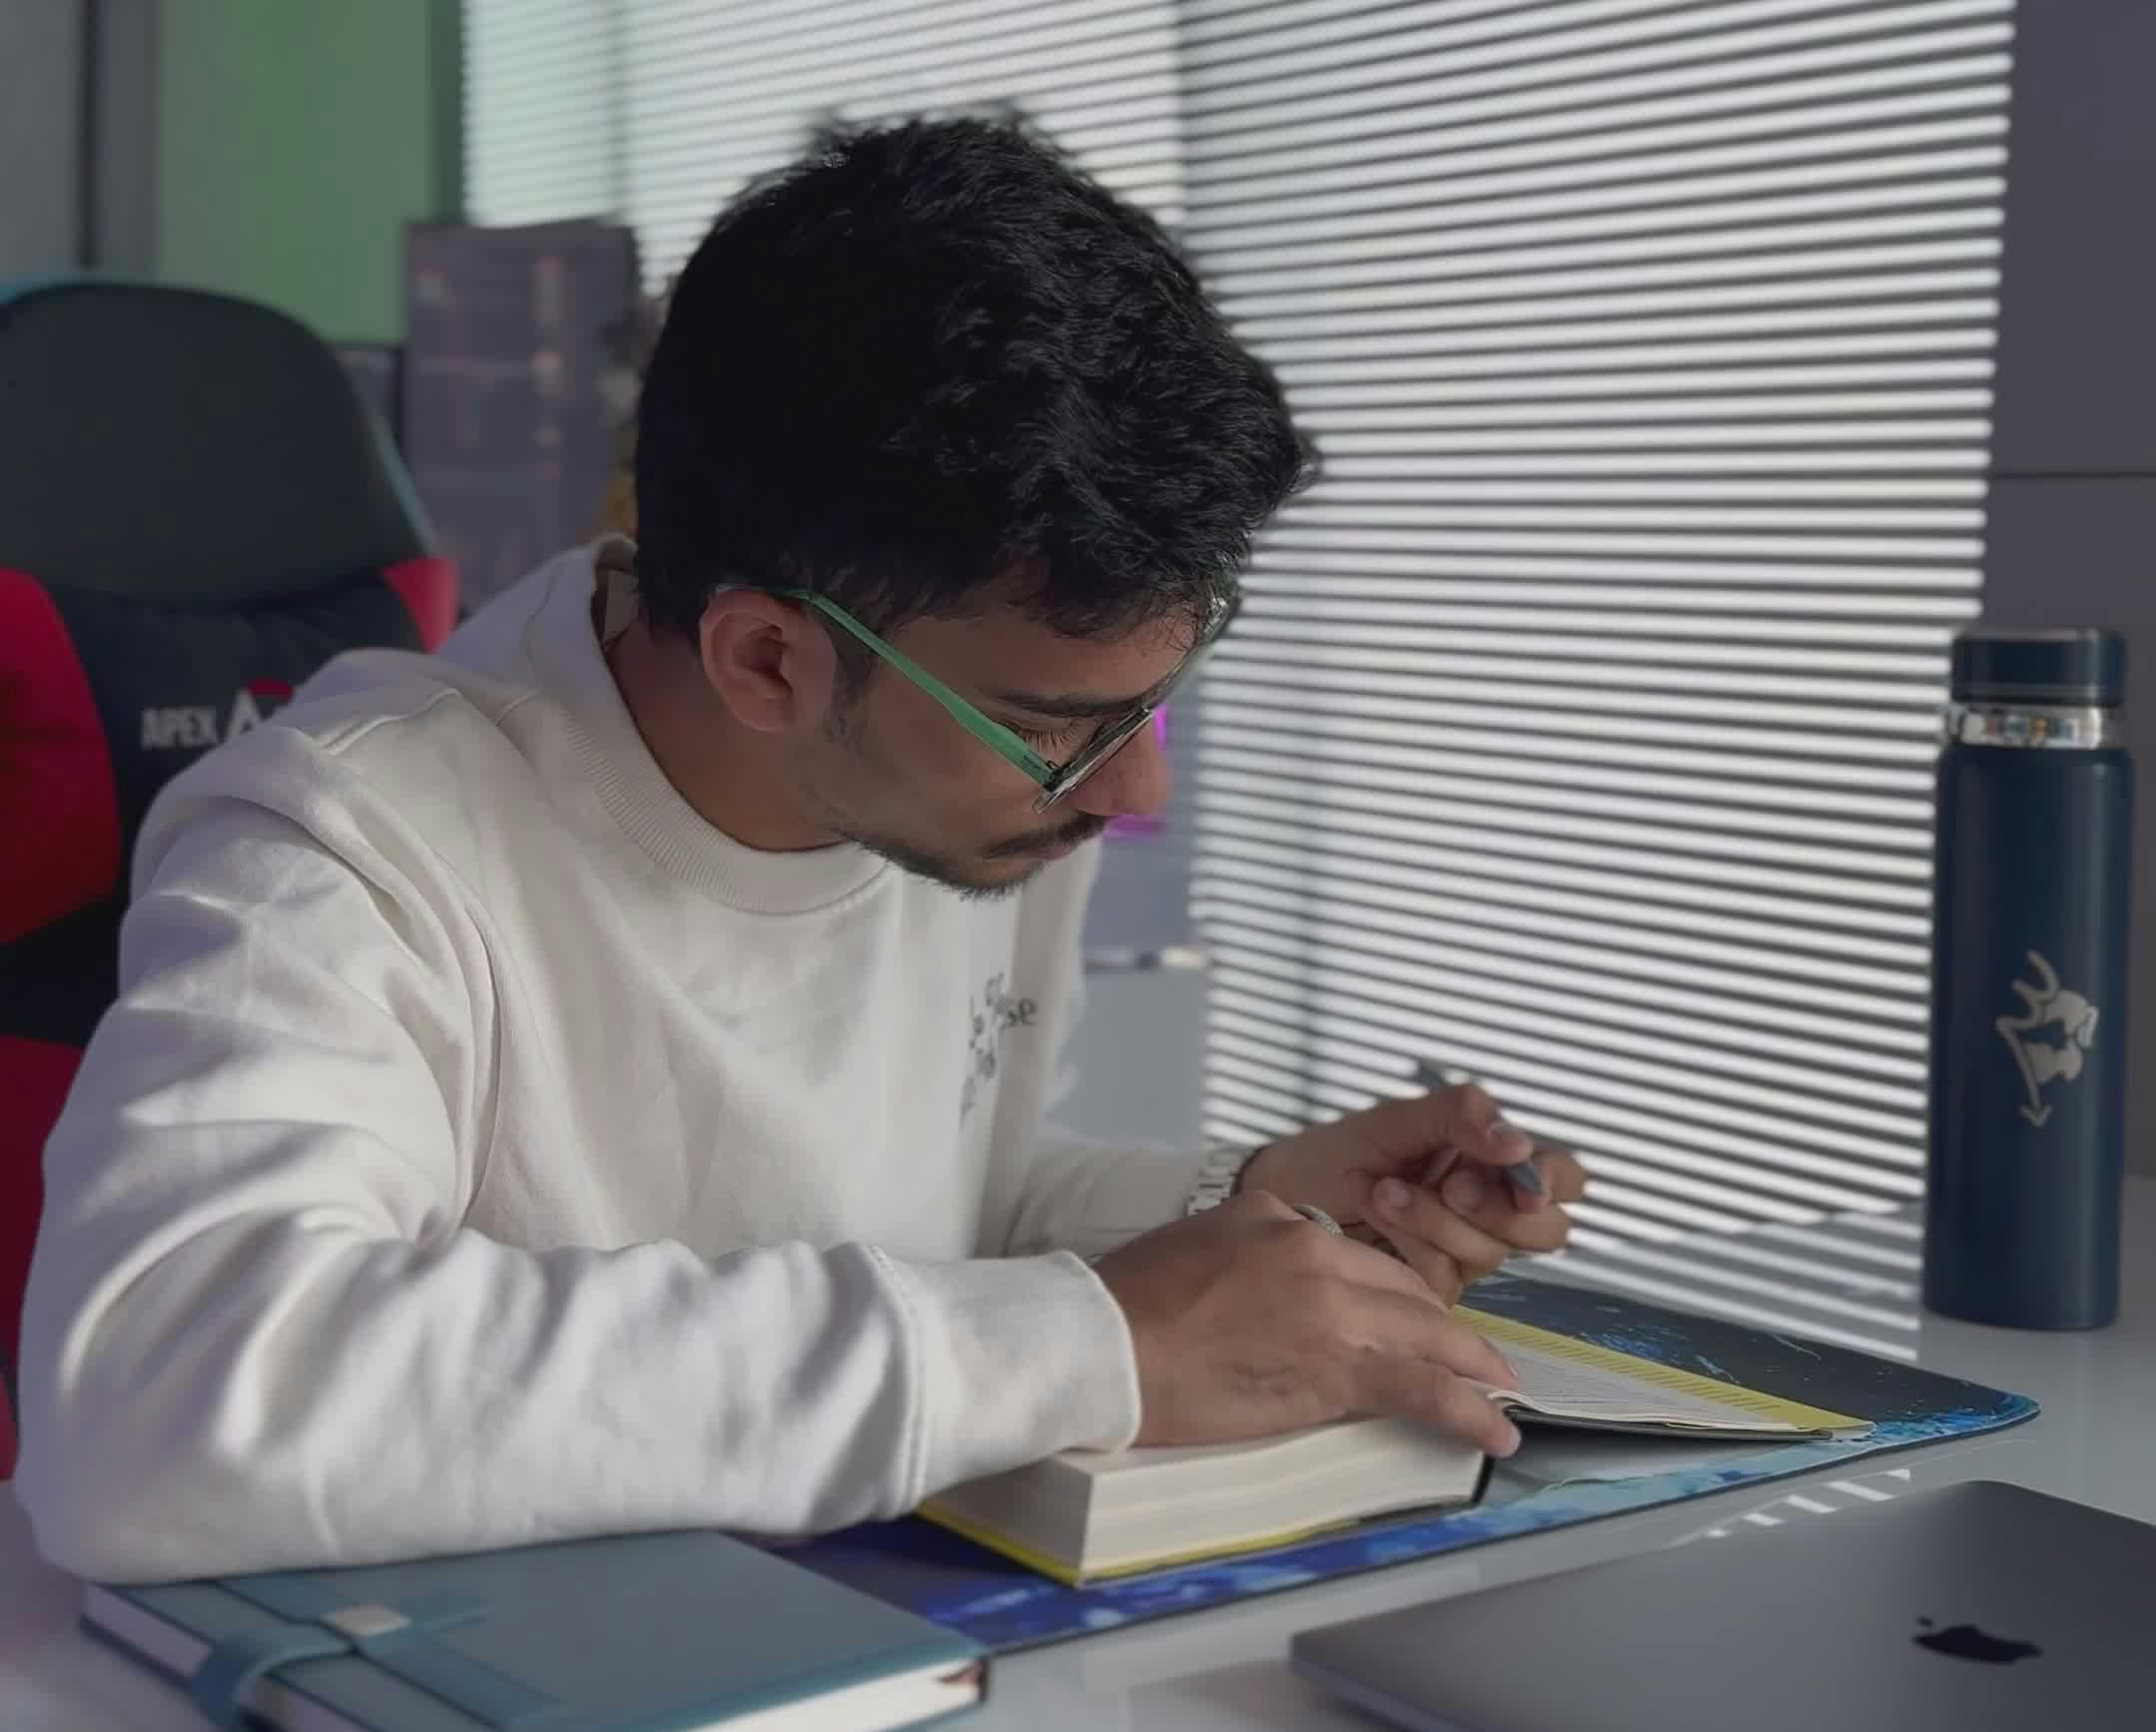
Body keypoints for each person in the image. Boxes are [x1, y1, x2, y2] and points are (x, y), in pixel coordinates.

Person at [17, 116, 1583, 1585]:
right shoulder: (344, 833)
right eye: (1065, 725)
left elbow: (939, 1210)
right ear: (769, 660)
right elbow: (160, 1396)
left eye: (1151, 710)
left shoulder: (968, 789)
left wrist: (1243, 1224)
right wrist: (1083, 1347)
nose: (1133, 792)